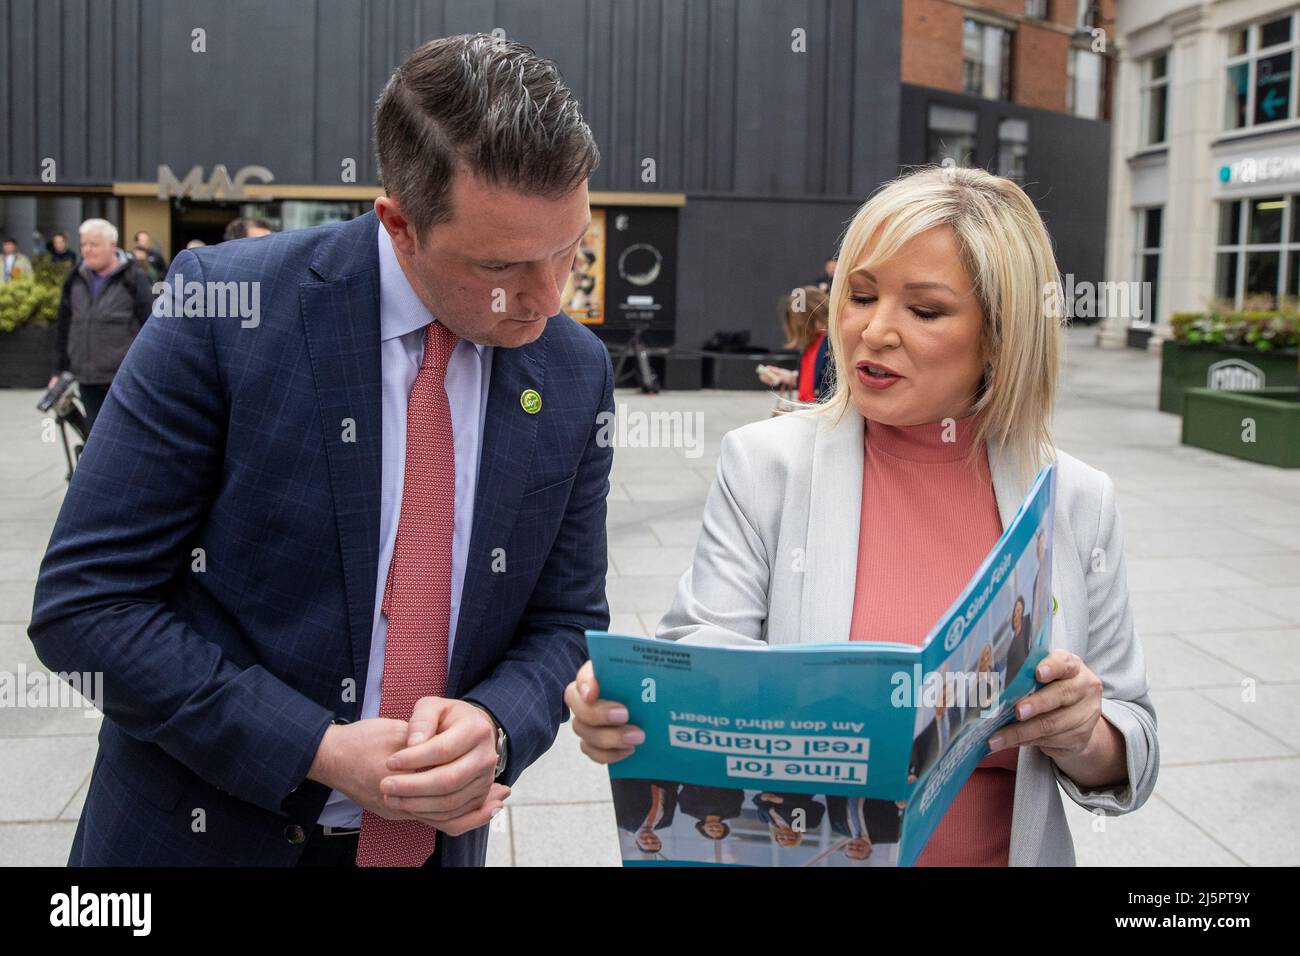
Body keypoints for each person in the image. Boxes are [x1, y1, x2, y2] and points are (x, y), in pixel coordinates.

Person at [29, 33, 611, 868]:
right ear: (399, 225)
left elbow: (567, 619)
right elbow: (87, 607)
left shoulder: (574, 368)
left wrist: (498, 724)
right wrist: (318, 747)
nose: (548, 300)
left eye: (569, 251)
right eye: (503, 266)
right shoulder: (224, 311)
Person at [567, 166, 1158, 867]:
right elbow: (701, 649)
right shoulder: (766, 465)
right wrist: (633, 706)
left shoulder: (1076, 499)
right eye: (861, 294)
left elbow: (1132, 747)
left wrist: (1082, 733)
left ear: (1001, 334)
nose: (873, 331)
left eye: (925, 310)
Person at [48, 219, 154, 431]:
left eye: (93, 244)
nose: (87, 250)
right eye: (84, 244)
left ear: (111, 245)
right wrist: (58, 371)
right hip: (87, 379)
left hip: (122, 380)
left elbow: (150, 327)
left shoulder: (133, 277)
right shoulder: (75, 279)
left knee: (121, 438)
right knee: (93, 438)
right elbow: (64, 326)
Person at [757, 284, 829, 402]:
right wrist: (786, 376)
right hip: (807, 410)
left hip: (821, 413)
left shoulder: (832, 343)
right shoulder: (811, 343)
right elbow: (811, 379)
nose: (801, 325)